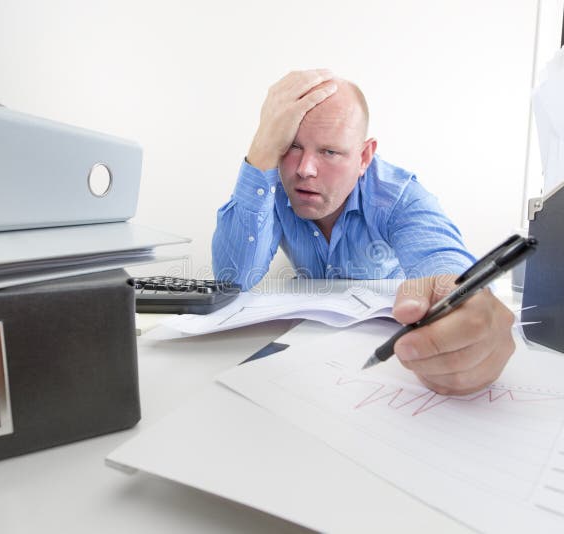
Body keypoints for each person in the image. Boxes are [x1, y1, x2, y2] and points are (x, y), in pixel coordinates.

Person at [212, 69, 515, 395]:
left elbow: (441, 259)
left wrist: (466, 309)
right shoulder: (271, 187)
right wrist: (261, 150)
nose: (305, 169)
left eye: (329, 152)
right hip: (300, 351)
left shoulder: (396, 195)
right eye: (291, 146)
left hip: (376, 354)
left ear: (364, 156)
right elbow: (233, 280)